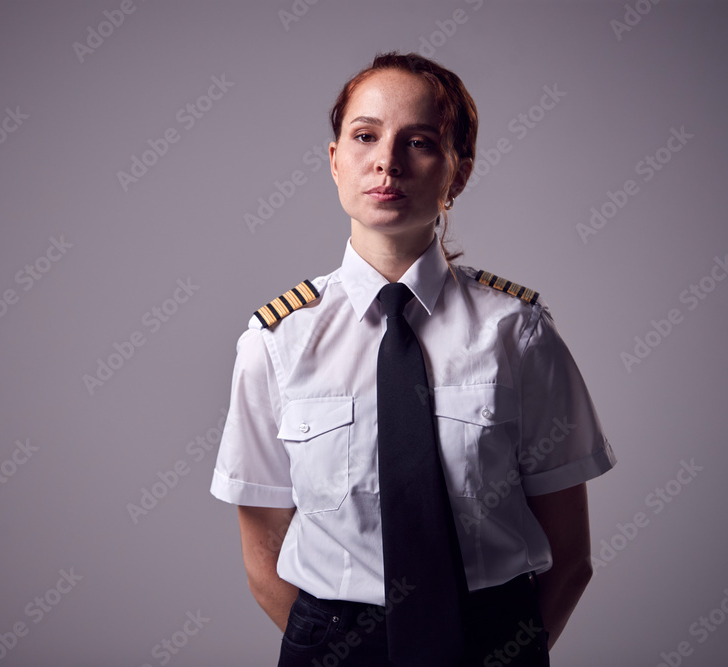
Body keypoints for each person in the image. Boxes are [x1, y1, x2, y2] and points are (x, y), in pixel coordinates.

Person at [209, 52, 617, 666]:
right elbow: (262, 559)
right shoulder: (276, 341)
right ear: (335, 161)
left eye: (420, 142)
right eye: (365, 136)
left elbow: (571, 558)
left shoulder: (518, 334)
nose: (387, 161)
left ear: (458, 173)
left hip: (490, 640)